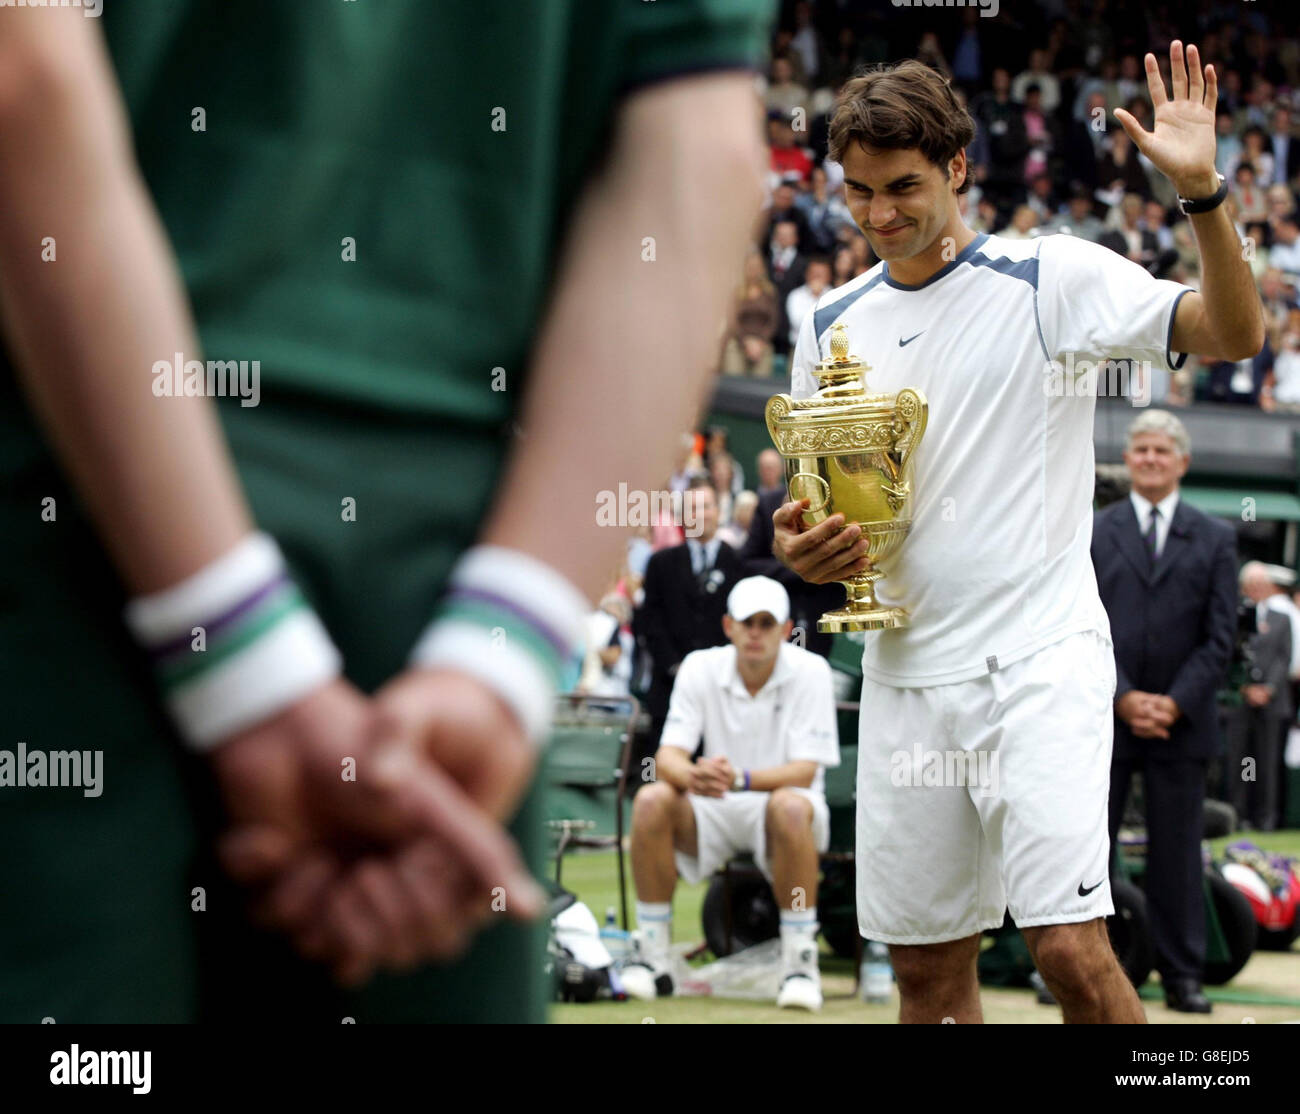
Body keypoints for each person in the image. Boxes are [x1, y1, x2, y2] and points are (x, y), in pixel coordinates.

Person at [0, 2, 771, 1022]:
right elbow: (696, 152)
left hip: (69, 535)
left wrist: (241, 648)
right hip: (446, 610)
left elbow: (24, 72)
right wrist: (498, 653)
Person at [773, 46, 1263, 1024]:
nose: (878, 216)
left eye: (902, 187)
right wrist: (802, 551)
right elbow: (814, 509)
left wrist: (1202, 194)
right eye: (858, 192)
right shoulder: (827, 320)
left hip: (1038, 667)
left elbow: (1232, 333)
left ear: (956, 169)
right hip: (903, 678)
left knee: (1070, 951)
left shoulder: (1049, 275)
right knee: (924, 978)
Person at [626, 576, 840, 1010]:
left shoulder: (812, 670)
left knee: (789, 807)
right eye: (747, 622)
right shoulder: (698, 667)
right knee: (651, 799)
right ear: (728, 626)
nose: (756, 632)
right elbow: (668, 758)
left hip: (786, 810)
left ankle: (799, 963)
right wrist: (693, 777)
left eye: (767, 622)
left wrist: (738, 779)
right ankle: (653, 957)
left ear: (785, 629)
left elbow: (805, 771)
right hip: (715, 807)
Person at [1092, 410, 1238, 1013]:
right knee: (1086, 848)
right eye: (1141, 449)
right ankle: (1084, 968)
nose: (1150, 458)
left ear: (1183, 461)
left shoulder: (1216, 537)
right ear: (1129, 460)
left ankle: (1183, 976)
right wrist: (1123, 695)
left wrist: (1173, 703)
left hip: (1183, 724)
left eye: (1162, 450)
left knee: (1178, 854)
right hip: (1107, 716)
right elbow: (1084, 624)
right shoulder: (1097, 531)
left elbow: (1220, 639)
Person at [635, 479, 742, 768]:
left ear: (718, 512)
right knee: (656, 777)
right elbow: (649, 622)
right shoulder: (660, 563)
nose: (700, 514)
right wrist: (675, 666)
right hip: (667, 691)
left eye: (706, 506)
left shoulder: (739, 564)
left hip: (722, 694)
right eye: (692, 508)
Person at [1226, 563, 1294, 833]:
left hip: (1271, 702)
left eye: (1260, 584)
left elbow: (1284, 657)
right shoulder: (1234, 615)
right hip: (1240, 701)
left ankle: (1266, 818)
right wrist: (1244, 688)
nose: (1255, 589)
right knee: (1240, 761)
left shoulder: (1282, 617)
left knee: (1265, 762)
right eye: (1250, 584)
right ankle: (1237, 815)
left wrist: (1268, 688)